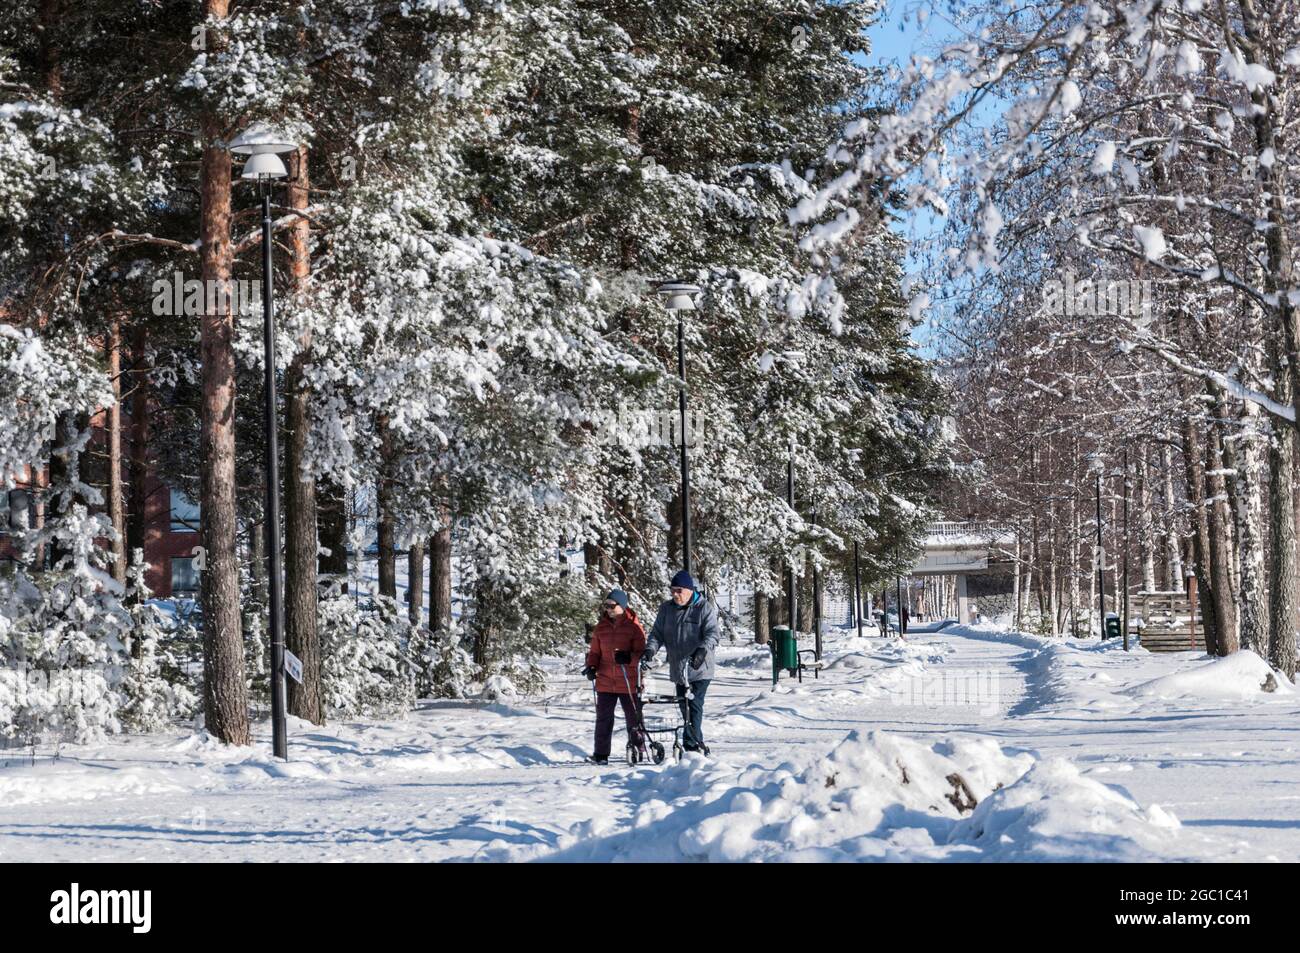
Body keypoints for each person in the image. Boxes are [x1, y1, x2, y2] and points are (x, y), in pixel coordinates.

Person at [642, 570, 719, 754]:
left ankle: (691, 747)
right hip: (678, 669)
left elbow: (713, 634)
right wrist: (650, 649)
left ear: (689, 590)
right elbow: (657, 634)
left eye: (679, 591)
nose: (675, 595)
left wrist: (702, 650)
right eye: (672, 590)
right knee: (684, 708)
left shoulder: (704, 608)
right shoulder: (666, 609)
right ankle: (697, 743)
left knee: (693, 707)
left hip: (699, 668)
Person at [583, 589, 645, 765]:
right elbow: (594, 652)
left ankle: (638, 748)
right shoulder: (601, 627)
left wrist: (629, 658)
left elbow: (642, 654)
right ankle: (601, 754)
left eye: (612, 605)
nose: (608, 609)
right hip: (605, 680)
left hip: (628, 679)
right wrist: (592, 666)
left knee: (633, 718)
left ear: (622, 606)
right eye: (606, 605)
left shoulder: (633, 626)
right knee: (603, 718)